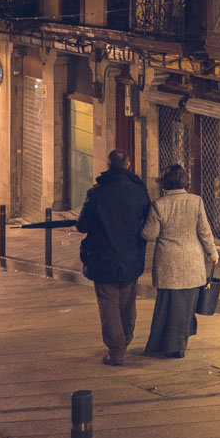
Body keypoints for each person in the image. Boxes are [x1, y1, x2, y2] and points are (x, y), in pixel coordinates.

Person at [76, 149, 151, 366]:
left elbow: (83, 225)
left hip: (103, 258)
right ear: (128, 165)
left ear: (108, 166)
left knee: (108, 304)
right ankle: (124, 340)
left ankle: (116, 351)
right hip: (131, 257)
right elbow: (147, 221)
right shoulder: (139, 191)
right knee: (127, 303)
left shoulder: (96, 192)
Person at [142, 164, 219, 358]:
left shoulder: (159, 205)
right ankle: (178, 346)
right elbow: (204, 231)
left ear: (164, 182)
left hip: (168, 264)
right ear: (185, 181)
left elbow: (149, 234)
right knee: (185, 308)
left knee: (165, 307)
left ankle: (161, 345)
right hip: (192, 263)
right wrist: (212, 253)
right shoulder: (196, 202)